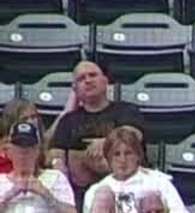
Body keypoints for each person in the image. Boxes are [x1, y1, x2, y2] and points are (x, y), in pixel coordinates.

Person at [81, 126, 189, 213]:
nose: (122, 160)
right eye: (116, 154)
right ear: (108, 158)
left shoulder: (158, 181)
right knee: (103, 194)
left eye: (128, 153)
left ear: (138, 156)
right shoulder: (96, 190)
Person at [47, 61, 147, 203]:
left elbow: (133, 136)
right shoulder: (68, 121)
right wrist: (59, 168)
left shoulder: (127, 110)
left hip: (124, 186)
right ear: (75, 89)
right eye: (81, 79)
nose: (88, 80)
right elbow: (55, 154)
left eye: (93, 75)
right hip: (79, 192)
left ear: (105, 81)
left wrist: (105, 144)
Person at [1, 119, 77, 213]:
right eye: (18, 148)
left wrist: (45, 194)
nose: (23, 154)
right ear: (9, 151)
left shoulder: (55, 178)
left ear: (37, 150)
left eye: (29, 148)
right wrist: (9, 196)